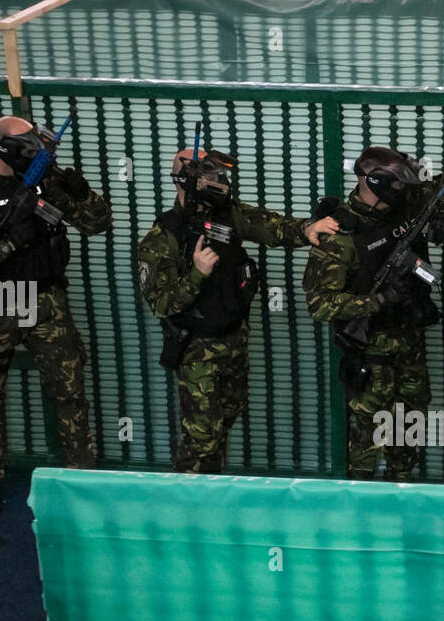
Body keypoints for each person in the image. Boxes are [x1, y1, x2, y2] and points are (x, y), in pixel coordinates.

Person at [0, 115, 113, 521]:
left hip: (46, 298)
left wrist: (82, 194)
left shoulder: (44, 182)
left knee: (69, 388)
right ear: (4, 150)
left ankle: (81, 479)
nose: (38, 155)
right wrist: (9, 244)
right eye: (28, 148)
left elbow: (98, 224)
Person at [136, 148, 339, 473]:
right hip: (196, 349)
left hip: (233, 340)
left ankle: (213, 494)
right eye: (212, 177)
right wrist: (196, 275)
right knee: (201, 437)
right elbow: (160, 303)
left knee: (226, 420)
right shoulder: (163, 236)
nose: (222, 183)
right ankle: (187, 504)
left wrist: (306, 229)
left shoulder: (228, 215)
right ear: (189, 183)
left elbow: (270, 226)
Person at [303, 147, 444, 480]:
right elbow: (320, 304)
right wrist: (379, 300)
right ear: (377, 183)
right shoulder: (340, 235)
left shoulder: (404, 205)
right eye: (394, 185)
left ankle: (401, 495)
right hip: (371, 352)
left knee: (408, 435)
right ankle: (358, 509)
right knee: (367, 439)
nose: (401, 191)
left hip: (410, 344)